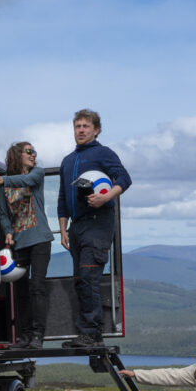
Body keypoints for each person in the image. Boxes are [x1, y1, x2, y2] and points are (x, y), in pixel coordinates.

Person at [56, 109, 131, 348]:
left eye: (85, 126)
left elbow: (124, 178)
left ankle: (91, 332)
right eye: (77, 126)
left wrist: (105, 197)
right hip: (76, 228)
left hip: (98, 223)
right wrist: (63, 229)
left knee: (89, 277)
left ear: (96, 130)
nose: (80, 130)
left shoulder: (104, 153)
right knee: (80, 280)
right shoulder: (67, 160)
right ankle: (86, 333)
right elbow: (61, 198)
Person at [0, 142, 52, 348]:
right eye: (29, 152)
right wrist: (7, 231)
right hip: (19, 243)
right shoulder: (3, 184)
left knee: (37, 287)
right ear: (17, 155)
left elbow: (28, 179)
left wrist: (3, 179)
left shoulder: (37, 173)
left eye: (34, 152)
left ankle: (37, 335)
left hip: (40, 240)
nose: (33, 155)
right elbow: (3, 213)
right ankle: (23, 336)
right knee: (20, 291)